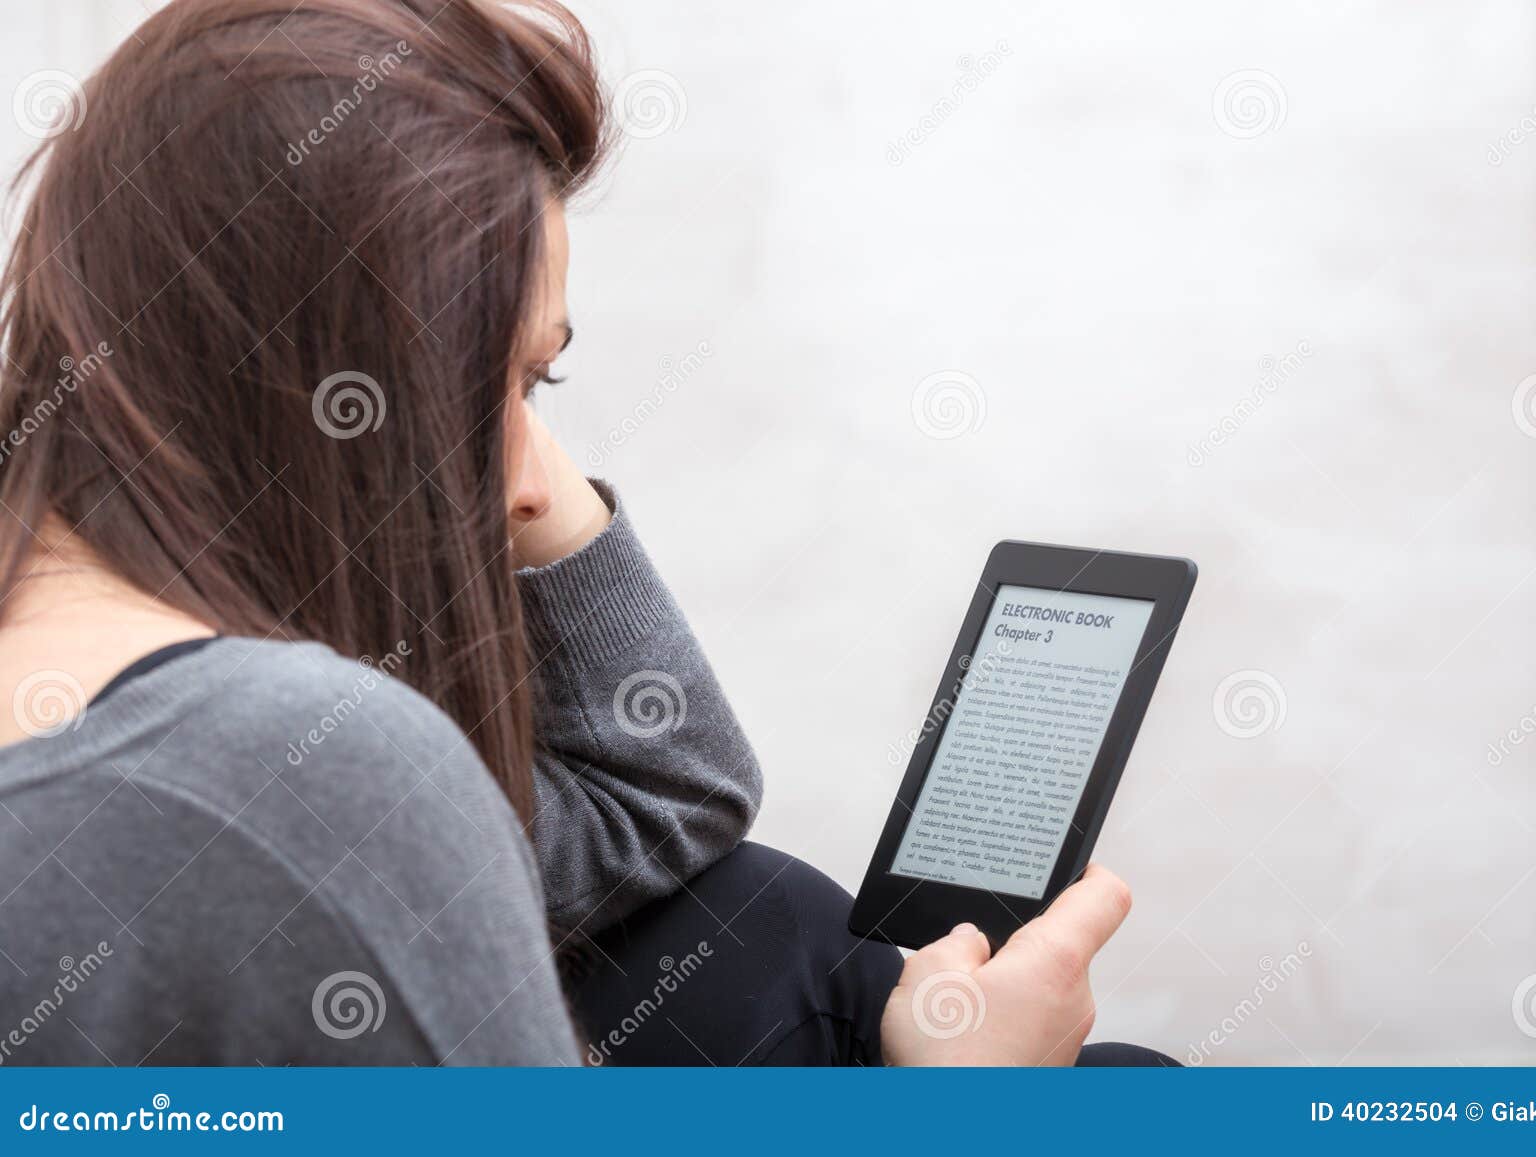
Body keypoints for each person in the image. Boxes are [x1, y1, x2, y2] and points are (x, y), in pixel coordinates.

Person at [0, 0, 1171, 1067]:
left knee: (743, 918)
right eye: (489, 391)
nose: (529, 481)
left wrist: (484, 395)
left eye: (540, 386)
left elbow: (657, 795)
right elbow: (678, 793)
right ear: (311, 395)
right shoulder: (306, 773)